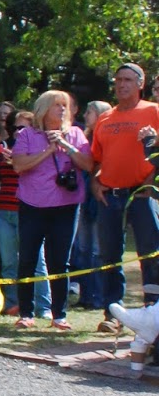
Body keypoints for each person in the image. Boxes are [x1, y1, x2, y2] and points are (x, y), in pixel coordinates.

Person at [8, 90, 91, 329]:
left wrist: (65, 144)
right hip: (32, 205)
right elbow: (18, 165)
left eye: (65, 105)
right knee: (27, 259)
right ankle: (26, 314)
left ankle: (59, 315)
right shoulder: (27, 135)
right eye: (57, 105)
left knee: (59, 262)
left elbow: (88, 164)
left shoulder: (75, 134)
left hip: (66, 207)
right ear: (44, 109)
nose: (63, 110)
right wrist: (49, 150)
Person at [89, 62, 159, 330]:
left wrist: (151, 183)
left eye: (128, 79)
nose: (122, 84)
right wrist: (96, 182)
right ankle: (112, 314)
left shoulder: (153, 111)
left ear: (141, 84)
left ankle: (152, 311)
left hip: (142, 194)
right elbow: (97, 159)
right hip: (111, 195)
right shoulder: (106, 118)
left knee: (149, 253)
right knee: (108, 254)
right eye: (118, 79)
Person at [0, 112, 51, 319]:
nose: (19, 132)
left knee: (37, 262)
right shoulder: (5, 148)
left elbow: (36, 174)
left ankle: (44, 307)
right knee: (9, 262)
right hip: (3, 210)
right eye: (15, 128)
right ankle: (13, 304)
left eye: (24, 127)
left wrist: (17, 160)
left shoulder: (39, 148)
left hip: (29, 210)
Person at [69, 100, 110, 310]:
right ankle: (85, 295)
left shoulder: (107, 138)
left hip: (99, 198)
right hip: (82, 198)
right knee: (83, 248)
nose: (85, 115)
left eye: (90, 112)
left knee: (96, 250)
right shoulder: (84, 139)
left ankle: (99, 296)